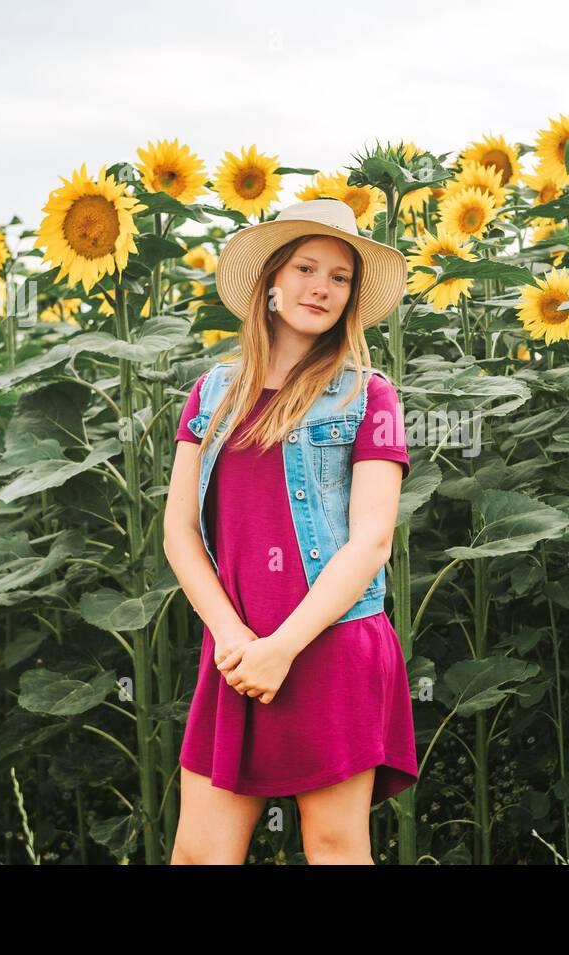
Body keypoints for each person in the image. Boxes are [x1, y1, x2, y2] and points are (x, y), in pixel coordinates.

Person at [163, 198, 417, 865]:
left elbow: (372, 540)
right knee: (198, 852)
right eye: (306, 267)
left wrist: (284, 646)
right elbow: (180, 531)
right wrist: (233, 636)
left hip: (328, 643)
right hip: (237, 649)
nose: (321, 287)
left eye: (339, 277)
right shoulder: (211, 393)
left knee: (333, 848)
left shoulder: (369, 396)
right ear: (270, 282)